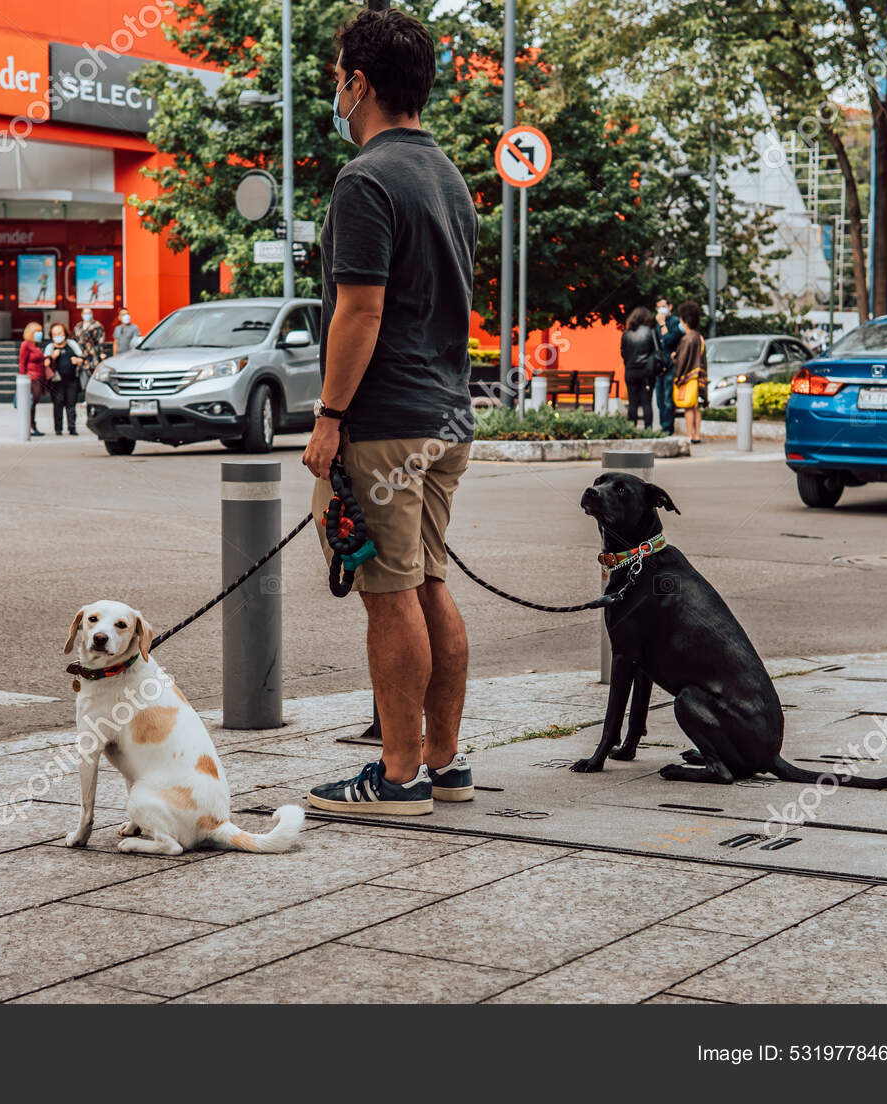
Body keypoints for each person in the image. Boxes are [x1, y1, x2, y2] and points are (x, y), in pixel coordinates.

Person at [301, 5, 478, 815]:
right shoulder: (448, 177)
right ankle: (444, 761)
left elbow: (360, 309)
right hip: (445, 416)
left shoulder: (365, 180)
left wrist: (328, 415)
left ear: (360, 83)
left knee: (389, 592)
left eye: (339, 78)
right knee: (429, 581)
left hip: (387, 421)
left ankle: (399, 775)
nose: (337, 92)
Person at [671, 300, 707, 443]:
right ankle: (697, 435)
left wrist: (674, 359)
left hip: (689, 378)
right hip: (699, 377)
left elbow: (682, 360)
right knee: (696, 407)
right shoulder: (699, 337)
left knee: (688, 408)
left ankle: (689, 435)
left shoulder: (687, 339)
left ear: (685, 321)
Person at [42, 321, 86, 436]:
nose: (58, 336)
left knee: (71, 405)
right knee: (58, 405)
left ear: (65, 333)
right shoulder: (50, 347)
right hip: (56, 382)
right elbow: (45, 363)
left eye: (60, 333)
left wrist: (78, 360)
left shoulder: (72, 344)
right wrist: (52, 357)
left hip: (72, 380)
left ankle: (72, 428)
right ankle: (58, 429)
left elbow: (82, 358)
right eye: (55, 334)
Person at [620, 305, 658, 429]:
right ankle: (648, 429)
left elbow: (623, 353)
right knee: (647, 402)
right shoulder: (650, 332)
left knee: (632, 402)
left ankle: (631, 429)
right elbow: (657, 351)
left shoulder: (626, 333)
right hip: (647, 372)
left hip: (630, 371)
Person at [653, 296, 682, 431]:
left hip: (671, 365)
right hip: (659, 366)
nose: (661, 310)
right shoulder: (656, 324)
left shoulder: (675, 322)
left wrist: (663, 325)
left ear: (670, 307)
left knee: (668, 398)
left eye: (663, 306)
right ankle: (662, 425)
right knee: (659, 398)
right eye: (659, 307)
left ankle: (667, 428)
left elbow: (669, 340)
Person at [17, 322, 48, 437]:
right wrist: (23, 379)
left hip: (39, 377)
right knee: (29, 404)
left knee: (33, 404)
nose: (40, 334)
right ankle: (29, 426)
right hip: (31, 378)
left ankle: (32, 426)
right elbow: (22, 362)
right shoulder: (26, 345)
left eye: (40, 331)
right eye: (37, 332)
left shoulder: (36, 345)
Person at [73, 307, 107, 393]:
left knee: (93, 377)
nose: (87, 315)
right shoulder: (78, 326)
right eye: (85, 313)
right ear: (81, 314)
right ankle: (84, 395)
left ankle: (92, 395)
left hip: (92, 355)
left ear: (92, 314)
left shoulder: (97, 325)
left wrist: (102, 353)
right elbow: (74, 339)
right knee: (82, 378)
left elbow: (100, 340)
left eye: (89, 313)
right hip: (80, 355)